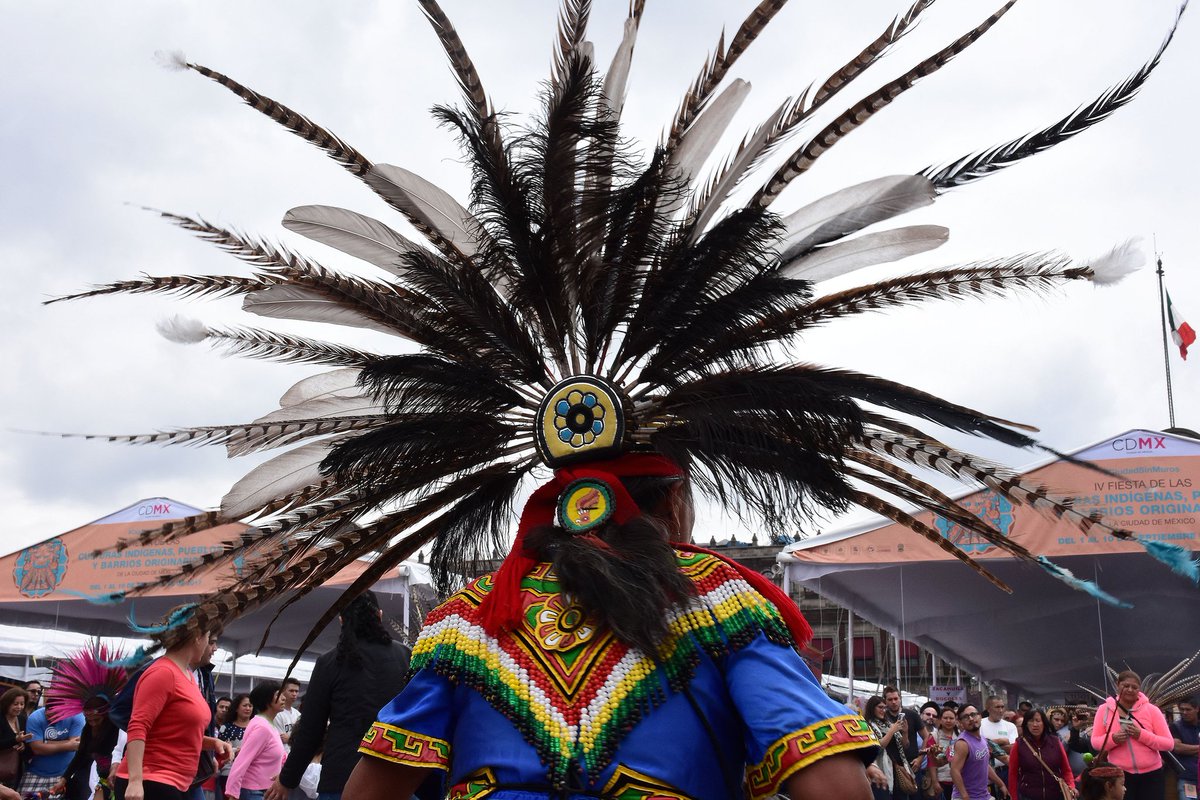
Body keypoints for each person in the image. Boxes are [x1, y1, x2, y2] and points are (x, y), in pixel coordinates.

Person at [57, 2, 1189, 799]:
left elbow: (368, 784)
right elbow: (835, 780)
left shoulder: (464, 630)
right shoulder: (724, 606)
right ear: (678, 504)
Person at [266, 591, 411, 800]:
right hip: (397, 776)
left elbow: (311, 730)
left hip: (342, 777)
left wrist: (287, 779)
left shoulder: (330, 662)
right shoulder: (405, 656)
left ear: (342, 620)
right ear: (379, 615)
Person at [113, 611, 234, 800]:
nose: (214, 647)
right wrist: (136, 781)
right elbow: (138, 725)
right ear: (197, 637)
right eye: (209, 638)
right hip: (152, 782)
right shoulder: (163, 673)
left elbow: (175, 734)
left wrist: (213, 743)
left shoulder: (186, 675)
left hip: (173, 783)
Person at [45, 642, 131, 800]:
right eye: (88, 719)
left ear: (106, 714)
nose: (93, 722)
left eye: (96, 719)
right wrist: (63, 779)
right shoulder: (88, 729)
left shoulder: (118, 728)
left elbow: (123, 753)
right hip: (100, 781)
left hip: (122, 783)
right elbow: (81, 755)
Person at [1091, 670, 1175, 800]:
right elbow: (1095, 742)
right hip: (1120, 777)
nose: (1130, 689)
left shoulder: (1152, 710)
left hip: (1152, 775)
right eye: (1126, 685)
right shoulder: (1104, 710)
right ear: (1117, 685)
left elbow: (1168, 744)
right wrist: (1113, 738)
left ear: (1139, 689)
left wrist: (1141, 735)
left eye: (1134, 687)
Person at [224, 683, 286, 800]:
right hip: (254, 792)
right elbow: (242, 760)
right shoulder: (262, 727)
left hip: (264, 791)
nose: (284, 697)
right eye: (278, 694)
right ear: (267, 700)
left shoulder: (268, 725)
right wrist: (232, 793)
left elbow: (282, 756)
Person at [20, 702, 85, 796]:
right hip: (35, 771)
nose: (51, 720)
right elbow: (37, 749)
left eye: (55, 716)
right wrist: (67, 743)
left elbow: (75, 745)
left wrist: (44, 742)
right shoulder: (36, 717)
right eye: (48, 716)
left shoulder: (76, 715)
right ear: (45, 709)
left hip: (64, 774)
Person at [1008, 709, 1075, 800]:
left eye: (1038, 721)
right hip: (1028, 795)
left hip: (1055, 795)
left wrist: (1071, 786)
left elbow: (1066, 770)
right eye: (1031, 721)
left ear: (1044, 723)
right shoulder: (1019, 744)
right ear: (1026, 724)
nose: (1035, 725)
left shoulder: (1055, 742)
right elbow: (1013, 774)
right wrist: (1014, 797)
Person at [952, 705, 1009, 800]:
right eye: (966, 717)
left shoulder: (983, 739)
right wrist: (965, 796)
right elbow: (954, 771)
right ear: (961, 723)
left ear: (980, 717)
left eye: (973, 714)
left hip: (984, 795)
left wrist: (1001, 785)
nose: (971, 719)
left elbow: (984, 765)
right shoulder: (962, 743)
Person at [867, 696, 904, 800]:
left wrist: (904, 732)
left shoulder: (887, 724)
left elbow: (903, 745)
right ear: (872, 708)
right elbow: (879, 746)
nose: (883, 710)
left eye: (885, 708)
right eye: (880, 707)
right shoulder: (868, 725)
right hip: (878, 769)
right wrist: (892, 731)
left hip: (894, 769)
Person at [217, 696, 253, 800]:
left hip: (250, 773)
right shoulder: (226, 728)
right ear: (237, 708)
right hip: (229, 771)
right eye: (245, 705)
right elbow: (219, 750)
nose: (248, 708)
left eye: (250, 706)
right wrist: (233, 751)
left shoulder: (257, 726)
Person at [0, 688, 31, 793]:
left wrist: (23, 745)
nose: (19, 707)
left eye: (22, 704)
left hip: (13, 769)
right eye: (15, 704)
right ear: (7, 703)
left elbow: (25, 742)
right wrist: (15, 740)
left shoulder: (22, 719)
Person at [1168, 698, 1198, 800]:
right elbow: (1177, 747)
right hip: (1188, 778)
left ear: (1197, 709)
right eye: (1182, 709)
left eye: (1188, 709)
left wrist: (1190, 749)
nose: (1184, 712)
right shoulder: (1175, 727)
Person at [983, 698, 1019, 783]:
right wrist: (1001, 741)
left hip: (1006, 770)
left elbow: (1013, 748)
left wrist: (990, 744)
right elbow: (978, 746)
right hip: (986, 771)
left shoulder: (1010, 726)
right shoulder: (980, 724)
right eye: (997, 707)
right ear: (988, 708)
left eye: (1002, 707)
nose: (1001, 710)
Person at [933, 707, 961, 800]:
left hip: (960, 781)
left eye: (951, 718)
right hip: (942, 780)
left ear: (956, 720)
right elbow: (931, 762)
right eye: (945, 718)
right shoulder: (934, 736)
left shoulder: (961, 736)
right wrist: (935, 782)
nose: (948, 721)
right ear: (940, 720)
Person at [270, 680, 300, 750]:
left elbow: (302, 738)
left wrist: (290, 739)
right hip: (282, 755)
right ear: (283, 692)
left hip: (295, 754)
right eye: (291, 691)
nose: (294, 694)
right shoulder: (277, 713)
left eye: (296, 691)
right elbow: (280, 738)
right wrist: (294, 739)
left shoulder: (298, 714)